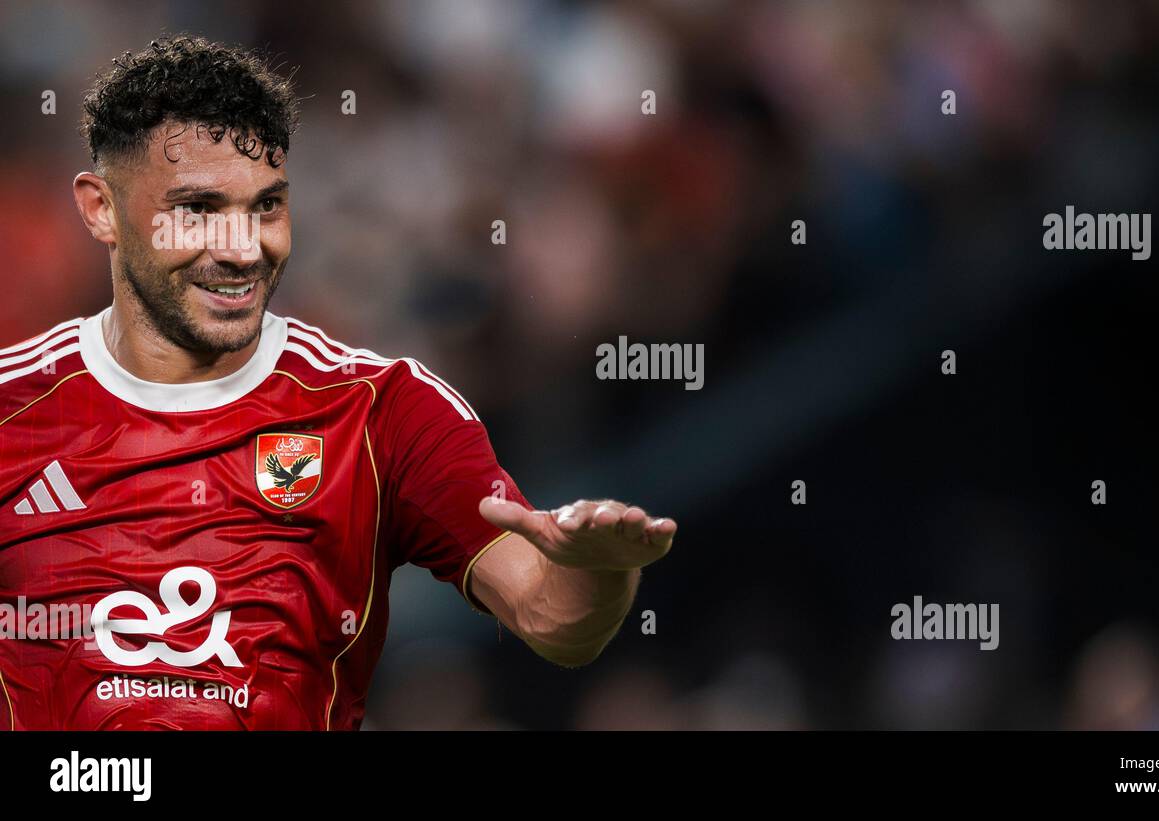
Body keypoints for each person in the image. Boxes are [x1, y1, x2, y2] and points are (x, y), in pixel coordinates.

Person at [0, 35, 675, 730]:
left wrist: (599, 571)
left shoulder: (384, 411)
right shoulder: (10, 414)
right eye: (198, 209)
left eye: (266, 206)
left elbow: (551, 614)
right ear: (100, 209)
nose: (242, 247)